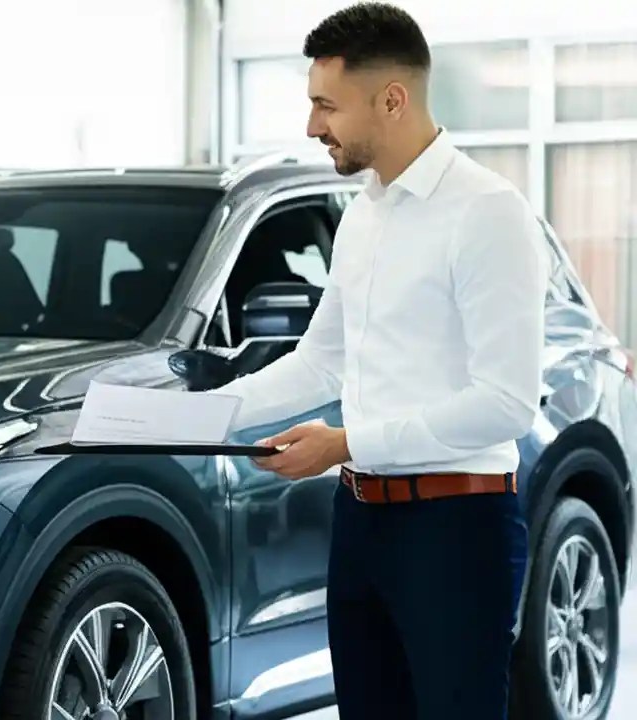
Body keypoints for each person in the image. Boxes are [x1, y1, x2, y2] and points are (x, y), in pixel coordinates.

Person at [214, 3, 546, 719]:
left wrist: (344, 443)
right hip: (360, 524)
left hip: (457, 529)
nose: (312, 127)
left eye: (325, 105)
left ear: (391, 99)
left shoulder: (487, 212)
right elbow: (319, 364)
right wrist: (203, 414)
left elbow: (507, 401)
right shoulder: (363, 212)